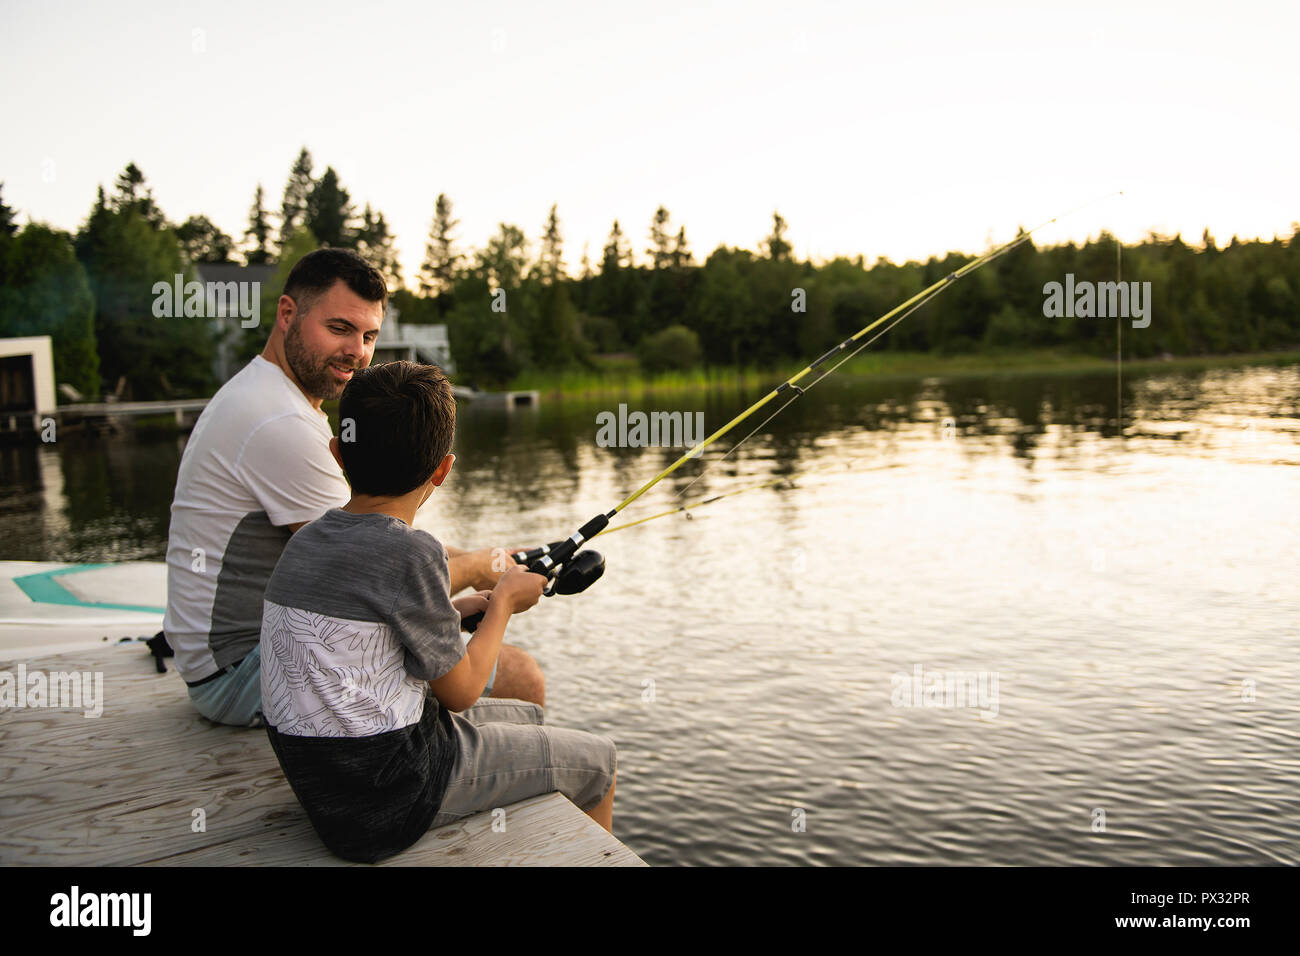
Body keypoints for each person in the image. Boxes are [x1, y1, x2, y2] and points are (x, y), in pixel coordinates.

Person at [163, 248, 544, 727]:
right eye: (340, 329)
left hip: (229, 656)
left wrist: (489, 560)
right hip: (239, 671)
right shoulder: (281, 423)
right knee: (520, 676)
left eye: (369, 336)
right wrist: (481, 572)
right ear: (287, 315)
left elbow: (381, 541)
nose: (358, 352)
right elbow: (371, 570)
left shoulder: (262, 393)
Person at [260, 361, 616, 862]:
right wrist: (505, 605)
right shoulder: (413, 552)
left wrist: (462, 610)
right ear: (443, 470)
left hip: (328, 791)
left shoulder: (309, 540)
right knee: (600, 762)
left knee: (529, 718)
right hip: (393, 799)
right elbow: (462, 693)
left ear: (338, 454)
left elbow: (368, 634)